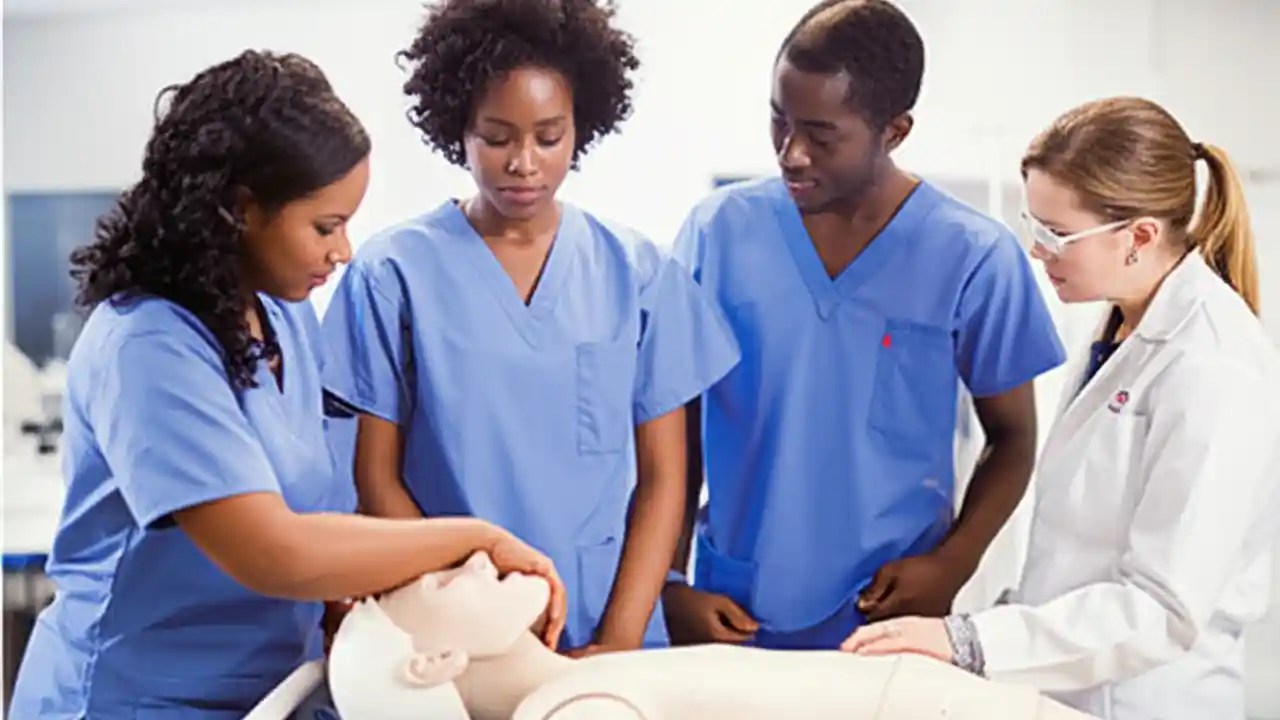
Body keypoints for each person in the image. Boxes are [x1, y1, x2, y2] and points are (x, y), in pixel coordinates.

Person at [9, 50, 565, 720]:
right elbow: (274, 549)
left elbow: (316, 514)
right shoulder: (148, 343)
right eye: (325, 227)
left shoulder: (284, 316)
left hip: (266, 691)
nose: (344, 251)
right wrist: (475, 538)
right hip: (132, 698)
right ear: (240, 210)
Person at [321, 0, 740, 658]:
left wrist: (618, 643)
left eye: (549, 137)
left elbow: (665, 480)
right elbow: (375, 478)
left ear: (583, 128)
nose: (524, 162)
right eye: (497, 136)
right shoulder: (391, 274)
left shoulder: (636, 273)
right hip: (449, 635)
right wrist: (478, 619)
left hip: (609, 629)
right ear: (456, 128)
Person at [842, 96, 1280, 720]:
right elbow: (1075, 561)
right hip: (1070, 695)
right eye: (1032, 223)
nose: (1035, 250)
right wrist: (963, 637)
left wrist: (968, 643)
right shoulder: (1121, 326)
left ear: (1140, 237)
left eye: (1056, 233)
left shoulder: (1214, 365)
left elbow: (1161, 610)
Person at [661, 0, 1067, 651]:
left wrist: (952, 565)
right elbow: (673, 436)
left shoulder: (974, 257)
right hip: (733, 608)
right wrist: (668, 584)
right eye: (778, 120)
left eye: (822, 136)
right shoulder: (718, 234)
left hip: (889, 616)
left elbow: (1013, 441)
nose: (791, 154)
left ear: (894, 130)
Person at [322, 551, 1097, 720]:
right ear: (434, 663)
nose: (480, 558)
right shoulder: (568, 712)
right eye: (438, 583)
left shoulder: (581, 687)